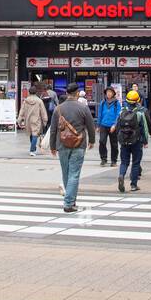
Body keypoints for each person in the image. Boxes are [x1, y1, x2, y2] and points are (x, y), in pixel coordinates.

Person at [46, 82, 96, 213]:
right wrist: (92, 140)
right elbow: (91, 125)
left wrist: (52, 146)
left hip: (62, 144)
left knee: (66, 173)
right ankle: (69, 203)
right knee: (74, 174)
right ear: (77, 93)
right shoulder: (83, 108)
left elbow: (53, 129)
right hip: (79, 144)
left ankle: (71, 200)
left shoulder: (59, 109)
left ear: (67, 93)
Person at [114, 90, 151, 192]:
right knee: (135, 162)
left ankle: (121, 175)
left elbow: (118, 127)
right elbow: (144, 128)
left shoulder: (122, 112)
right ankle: (133, 185)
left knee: (124, 162)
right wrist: (145, 141)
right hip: (136, 141)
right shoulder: (139, 113)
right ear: (137, 101)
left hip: (124, 141)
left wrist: (119, 138)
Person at [17, 85, 49, 155]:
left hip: (28, 120)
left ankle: (33, 148)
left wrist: (19, 119)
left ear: (29, 92)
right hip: (36, 120)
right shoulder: (39, 101)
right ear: (36, 92)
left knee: (31, 134)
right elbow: (43, 111)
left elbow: (21, 111)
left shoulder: (25, 101)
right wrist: (45, 120)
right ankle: (32, 150)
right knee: (35, 134)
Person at [97, 87, 121, 166]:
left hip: (113, 126)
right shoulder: (103, 102)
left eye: (110, 92)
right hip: (104, 125)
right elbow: (100, 114)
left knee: (114, 144)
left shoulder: (116, 103)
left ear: (113, 93)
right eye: (107, 92)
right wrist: (98, 125)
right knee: (102, 141)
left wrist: (114, 125)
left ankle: (114, 161)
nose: (109, 93)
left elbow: (118, 115)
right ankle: (103, 159)